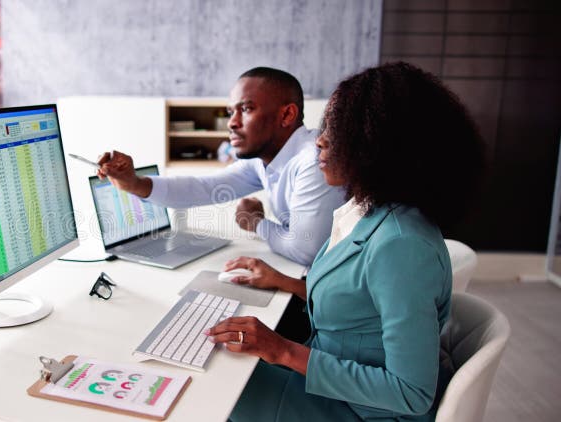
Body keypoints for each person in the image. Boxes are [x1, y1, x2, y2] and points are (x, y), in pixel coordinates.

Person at [206, 62, 483, 421]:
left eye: (337, 129)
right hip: (332, 382)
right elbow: (361, 306)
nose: (320, 139)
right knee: (217, 362)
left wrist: (283, 351)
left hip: (359, 411)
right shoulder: (369, 212)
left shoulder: (401, 246)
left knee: (210, 388)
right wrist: (284, 282)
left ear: (380, 142)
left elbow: (410, 393)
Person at [97, 67, 345, 267]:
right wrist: (135, 183)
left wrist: (257, 222)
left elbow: (306, 251)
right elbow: (203, 188)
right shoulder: (263, 160)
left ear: (287, 115)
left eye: (246, 109)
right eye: (230, 112)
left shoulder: (314, 161)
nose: (232, 123)